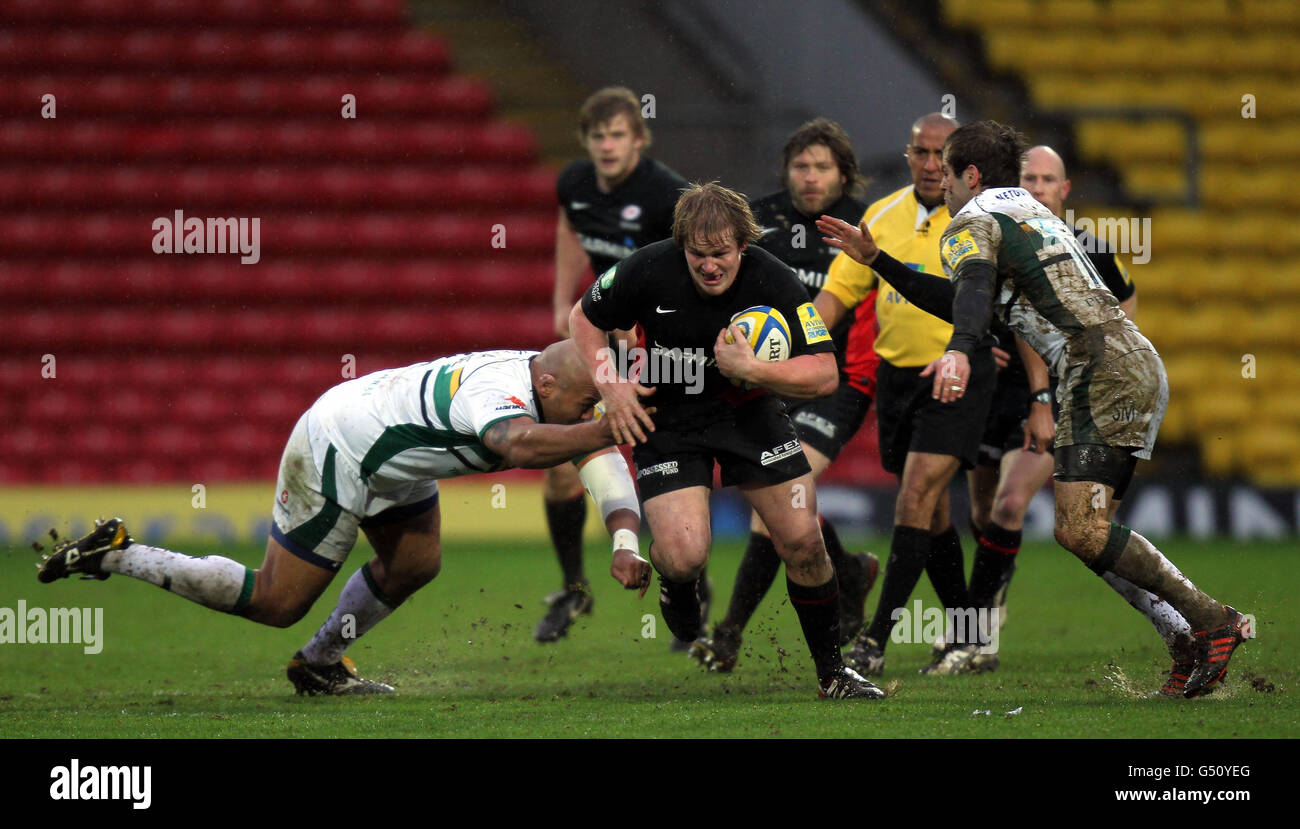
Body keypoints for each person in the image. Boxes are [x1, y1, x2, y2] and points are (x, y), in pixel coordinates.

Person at [817, 120, 1248, 698]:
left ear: (969, 174)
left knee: (1080, 530)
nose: (939, 183)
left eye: (945, 172)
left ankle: (1213, 621)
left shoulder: (969, 222)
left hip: (1100, 373)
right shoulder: (1026, 212)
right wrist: (881, 262)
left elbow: (970, 298)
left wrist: (961, 352)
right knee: (1089, 531)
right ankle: (1186, 639)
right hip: (1121, 364)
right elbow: (967, 296)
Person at [37, 342, 654, 695]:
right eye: (582, 404)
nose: (589, 413)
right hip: (343, 445)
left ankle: (322, 665)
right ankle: (119, 551)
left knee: (416, 562)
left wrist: (625, 540)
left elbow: (600, 460)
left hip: (387, 447)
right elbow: (516, 444)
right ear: (546, 382)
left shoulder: (550, 381)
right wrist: (602, 426)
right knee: (276, 602)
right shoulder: (499, 396)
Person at [570, 181, 884, 698]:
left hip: (751, 418)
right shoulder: (648, 267)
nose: (710, 266)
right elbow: (583, 317)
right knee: (686, 555)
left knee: (804, 543)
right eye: (697, 255)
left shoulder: (774, 279)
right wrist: (611, 381)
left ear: (742, 245)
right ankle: (677, 583)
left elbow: (826, 373)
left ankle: (833, 675)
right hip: (669, 423)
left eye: (721, 255)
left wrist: (755, 368)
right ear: (681, 247)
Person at [927, 144, 1146, 675]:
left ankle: (974, 636)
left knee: (1008, 506)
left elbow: (1123, 314)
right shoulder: (997, 234)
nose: (1041, 186)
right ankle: (987, 613)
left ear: (1065, 190)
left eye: (1051, 178)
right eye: (1032, 177)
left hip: (1052, 396)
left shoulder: (1086, 246)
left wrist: (1047, 397)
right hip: (993, 393)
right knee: (983, 513)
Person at [689, 118, 879, 673]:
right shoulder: (759, 222)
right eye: (801, 165)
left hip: (834, 383)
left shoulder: (864, 230)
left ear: (844, 174)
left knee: (774, 507)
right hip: (766, 383)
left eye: (823, 167)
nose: (812, 177)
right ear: (786, 171)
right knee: (784, 508)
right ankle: (849, 571)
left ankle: (728, 636)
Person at [815, 113, 1000, 677]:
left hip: (957, 375)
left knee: (915, 497)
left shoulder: (978, 221)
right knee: (934, 513)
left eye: (938, 155)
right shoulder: (882, 217)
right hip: (897, 381)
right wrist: (786, 346)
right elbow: (835, 298)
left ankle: (874, 641)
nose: (926, 164)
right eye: (918, 152)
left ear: (958, 165)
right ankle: (971, 634)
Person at [543, 86, 690, 643]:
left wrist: (646, 323)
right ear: (586, 140)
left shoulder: (666, 193)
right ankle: (574, 588)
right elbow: (569, 230)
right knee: (561, 461)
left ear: (638, 139)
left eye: (617, 135)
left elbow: (692, 264)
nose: (606, 145)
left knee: (666, 462)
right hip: (603, 332)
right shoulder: (575, 183)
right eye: (598, 135)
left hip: (660, 341)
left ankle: (683, 585)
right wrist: (564, 299)